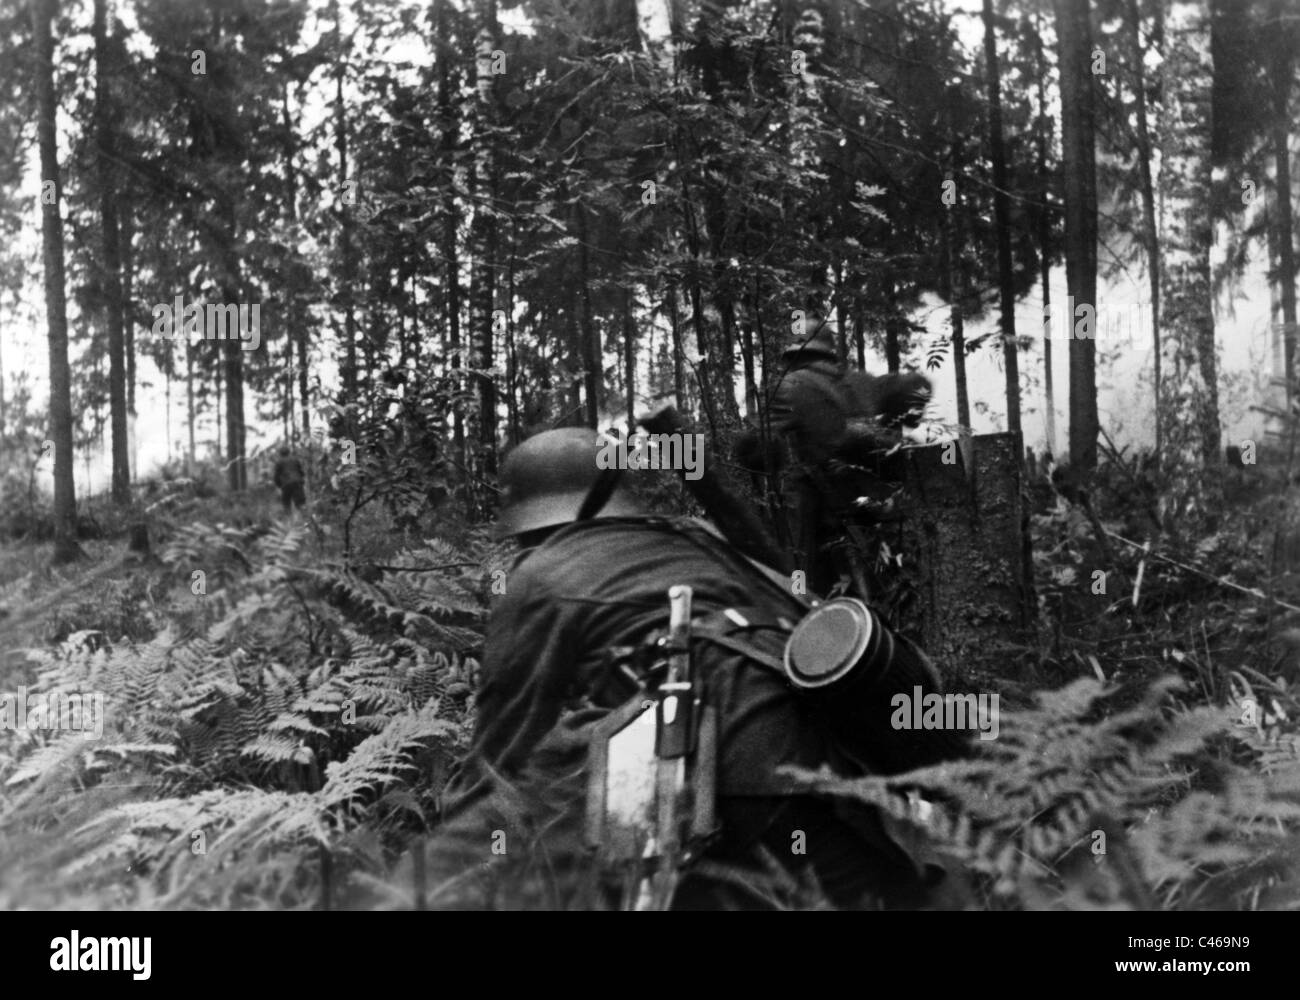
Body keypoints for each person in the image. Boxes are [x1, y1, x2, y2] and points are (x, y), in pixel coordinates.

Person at [437, 427, 965, 910]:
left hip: (730, 787)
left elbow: (502, 750)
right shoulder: (699, 538)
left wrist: (451, 852)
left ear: (532, 518)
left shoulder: (543, 575)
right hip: (836, 770)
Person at [272, 447, 306, 515]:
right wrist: (301, 480)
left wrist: (279, 485)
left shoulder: (279, 462)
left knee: (286, 503)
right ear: (289, 452)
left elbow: (276, 476)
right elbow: (301, 472)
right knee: (300, 503)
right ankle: (306, 519)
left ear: (280, 454)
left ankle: (289, 521)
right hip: (297, 483)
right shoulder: (295, 460)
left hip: (286, 485)